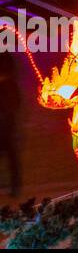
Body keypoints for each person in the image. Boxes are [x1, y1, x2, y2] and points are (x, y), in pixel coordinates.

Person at [0, 57, 21, 197]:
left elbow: (15, 102)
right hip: (6, 118)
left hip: (6, 120)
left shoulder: (9, 84)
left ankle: (15, 185)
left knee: (9, 151)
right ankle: (12, 185)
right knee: (8, 152)